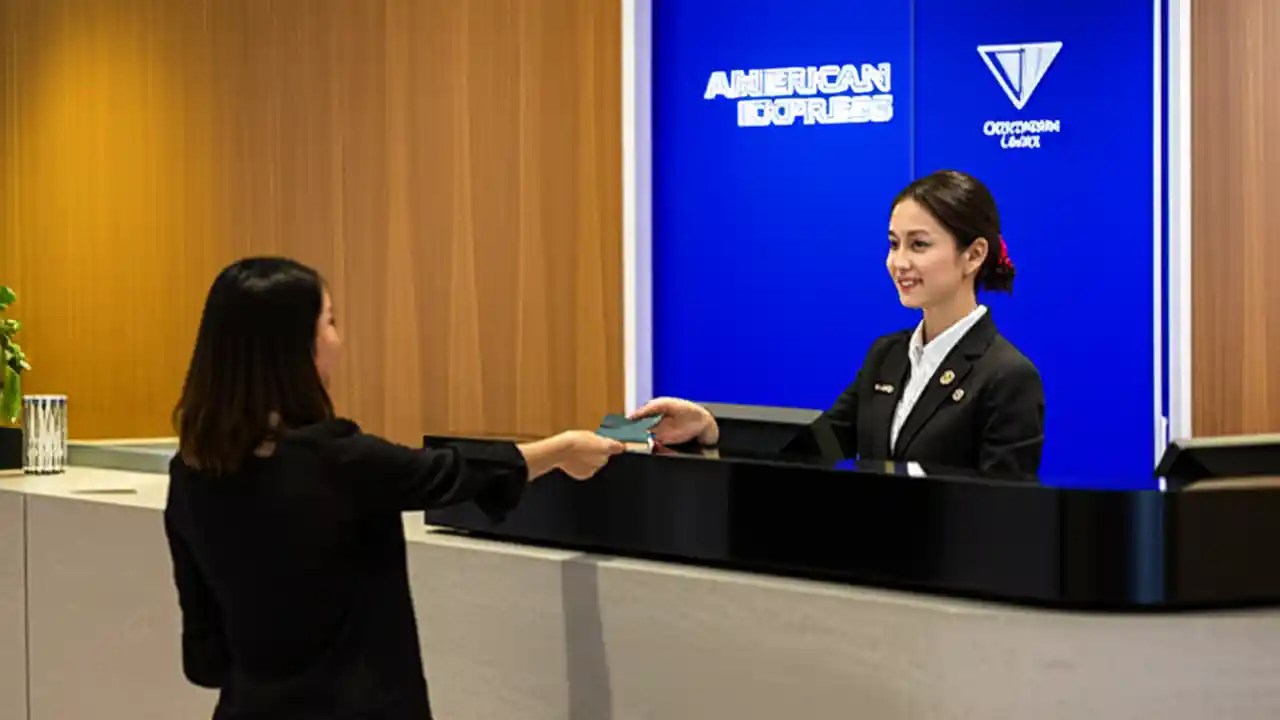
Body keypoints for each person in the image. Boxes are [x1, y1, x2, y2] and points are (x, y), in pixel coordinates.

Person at [163, 257, 624, 719]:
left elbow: (204, 658)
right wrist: (563, 449)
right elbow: (454, 474)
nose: (338, 340)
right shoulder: (337, 461)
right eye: (330, 322)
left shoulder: (190, 475)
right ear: (298, 348)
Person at [633, 170, 1045, 478]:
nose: (899, 262)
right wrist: (710, 428)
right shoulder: (887, 355)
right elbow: (818, 446)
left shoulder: (1007, 376)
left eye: (919, 245)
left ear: (973, 255)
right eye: (893, 244)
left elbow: (1008, 512)